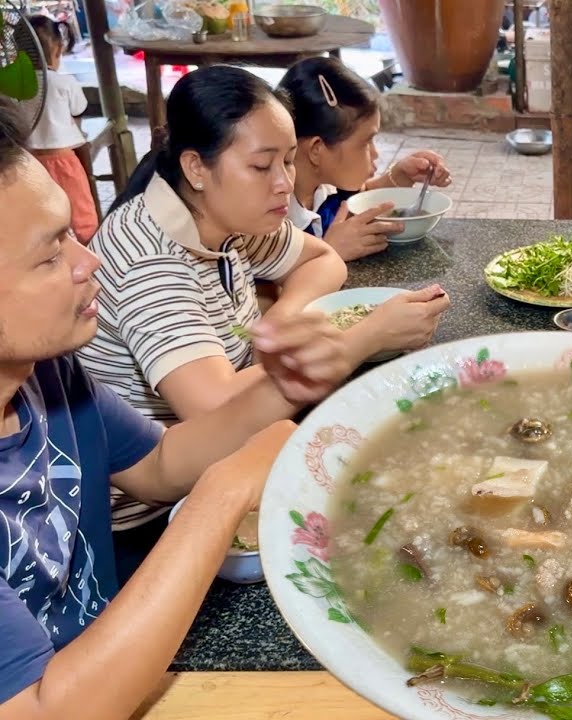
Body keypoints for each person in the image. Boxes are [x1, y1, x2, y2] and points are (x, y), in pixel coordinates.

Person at [0, 95, 352, 718]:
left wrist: (282, 386)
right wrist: (222, 495)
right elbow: (50, 710)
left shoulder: (45, 373)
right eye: (52, 255)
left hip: (119, 655)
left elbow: (159, 466)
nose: (93, 262)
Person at [78, 65, 451, 531]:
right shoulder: (150, 262)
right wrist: (361, 338)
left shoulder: (226, 218)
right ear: (196, 167)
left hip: (232, 455)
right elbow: (216, 411)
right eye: (261, 165)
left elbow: (324, 261)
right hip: (158, 517)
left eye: (288, 161)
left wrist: (283, 322)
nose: (282, 182)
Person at [278, 56, 452, 261]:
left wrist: (400, 176)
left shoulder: (325, 188)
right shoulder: (273, 217)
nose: (375, 153)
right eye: (365, 143)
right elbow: (263, 290)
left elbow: (359, 201)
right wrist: (330, 253)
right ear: (317, 150)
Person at [25, 15, 96, 244]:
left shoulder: (13, 87)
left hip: (29, 162)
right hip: (64, 159)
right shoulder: (65, 83)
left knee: (40, 212)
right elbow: (78, 110)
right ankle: (90, 248)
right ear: (58, 49)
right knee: (80, 212)